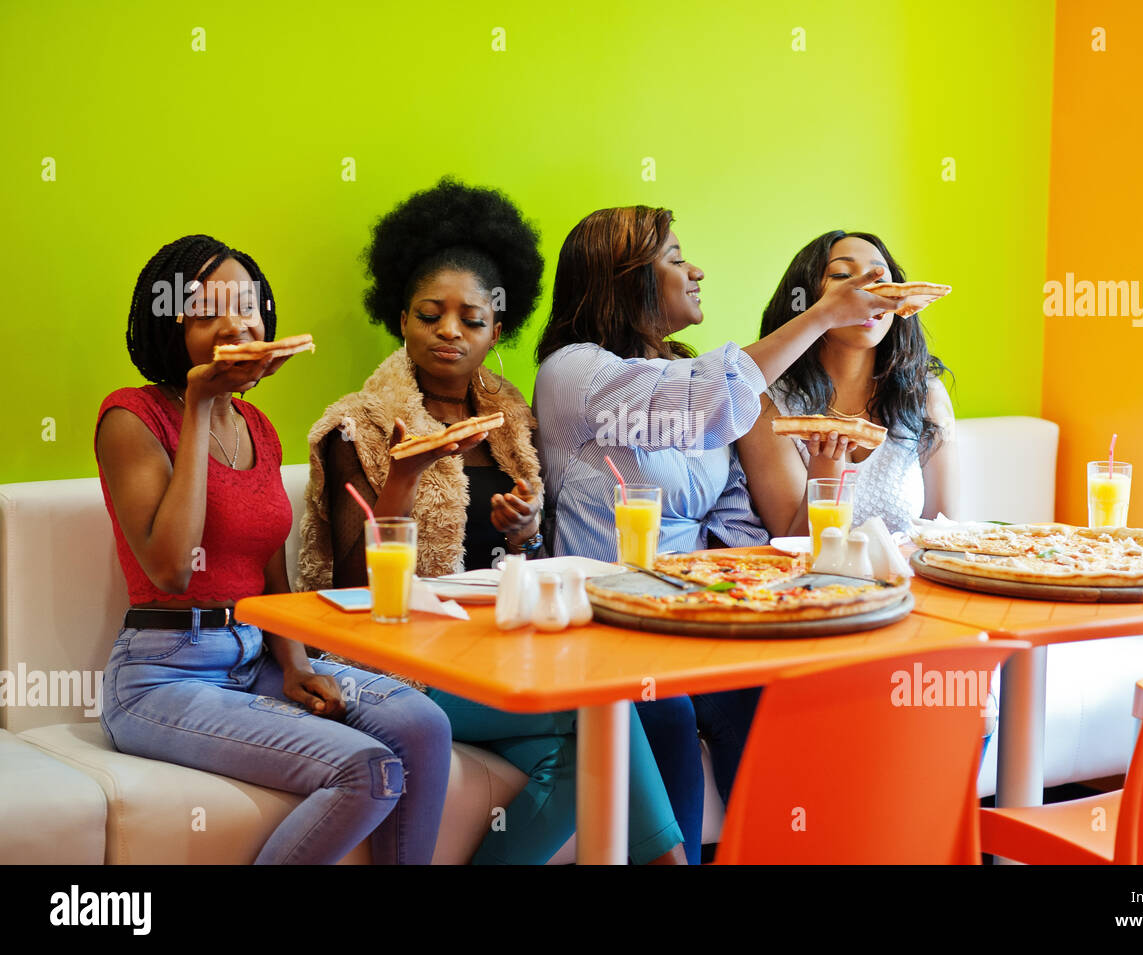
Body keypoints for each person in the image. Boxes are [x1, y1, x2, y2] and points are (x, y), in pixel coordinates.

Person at [296, 179, 687, 864]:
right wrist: (407, 474)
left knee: (584, 748)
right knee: (599, 709)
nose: (450, 332)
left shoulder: (509, 420)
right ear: (402, 319)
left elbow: (523, 559)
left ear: (495, 331)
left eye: (471, 320)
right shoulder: (355, 425)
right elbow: (357, 590)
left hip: (494, 647)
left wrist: (524, 528)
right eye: (430, 314)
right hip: (393, 667)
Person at [533, 206, 898, 861]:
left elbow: (743, 529)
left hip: (699, 622)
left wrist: (823, 474)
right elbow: (695, 398)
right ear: (626, 281)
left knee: (781, 696)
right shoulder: (575, 374)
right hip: (611, 624)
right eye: (675, 258)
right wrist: (821, 315)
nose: (695, 270)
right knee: (665, 710)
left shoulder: (686, 373)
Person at [96, 235, 453, 865]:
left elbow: (272, 580)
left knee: (424, 726)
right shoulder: (132, 416)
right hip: (164, 675)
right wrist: (201, 403)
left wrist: (294, 665)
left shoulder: (258, 426)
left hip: (257, 656)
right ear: (170, 326)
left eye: (248, 307)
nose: (237, 324)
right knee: (367, 771)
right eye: (209, 313)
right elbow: (172, 569)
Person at [737, 230, 959, 537]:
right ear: (805, 301)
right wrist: (826, 468)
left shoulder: (925, 396)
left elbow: (944, 534)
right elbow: (795, 548)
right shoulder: (765, 404)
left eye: (881, 280)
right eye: (842, 274)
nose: (867, 290)